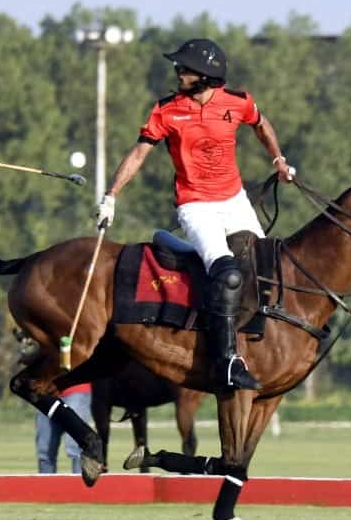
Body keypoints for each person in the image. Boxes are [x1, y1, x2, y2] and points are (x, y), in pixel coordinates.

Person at [97, 39, 295, 391]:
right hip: (195, 206)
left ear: (204, 76)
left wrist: (278, 159)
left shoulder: (237, 102)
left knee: (268, 269)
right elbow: (139, 154)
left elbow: (262, 125)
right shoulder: (166, 111)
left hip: (235, 201)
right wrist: (111, 195)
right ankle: (226, 360)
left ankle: (269, 346)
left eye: (184, 69)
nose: (178, 73)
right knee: (228, 275)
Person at [35, 382, 93, 474]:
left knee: (77, 449)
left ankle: (80, 487)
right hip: (44, 390)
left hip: (76, 388)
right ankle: (46, 488)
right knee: (44, 451)